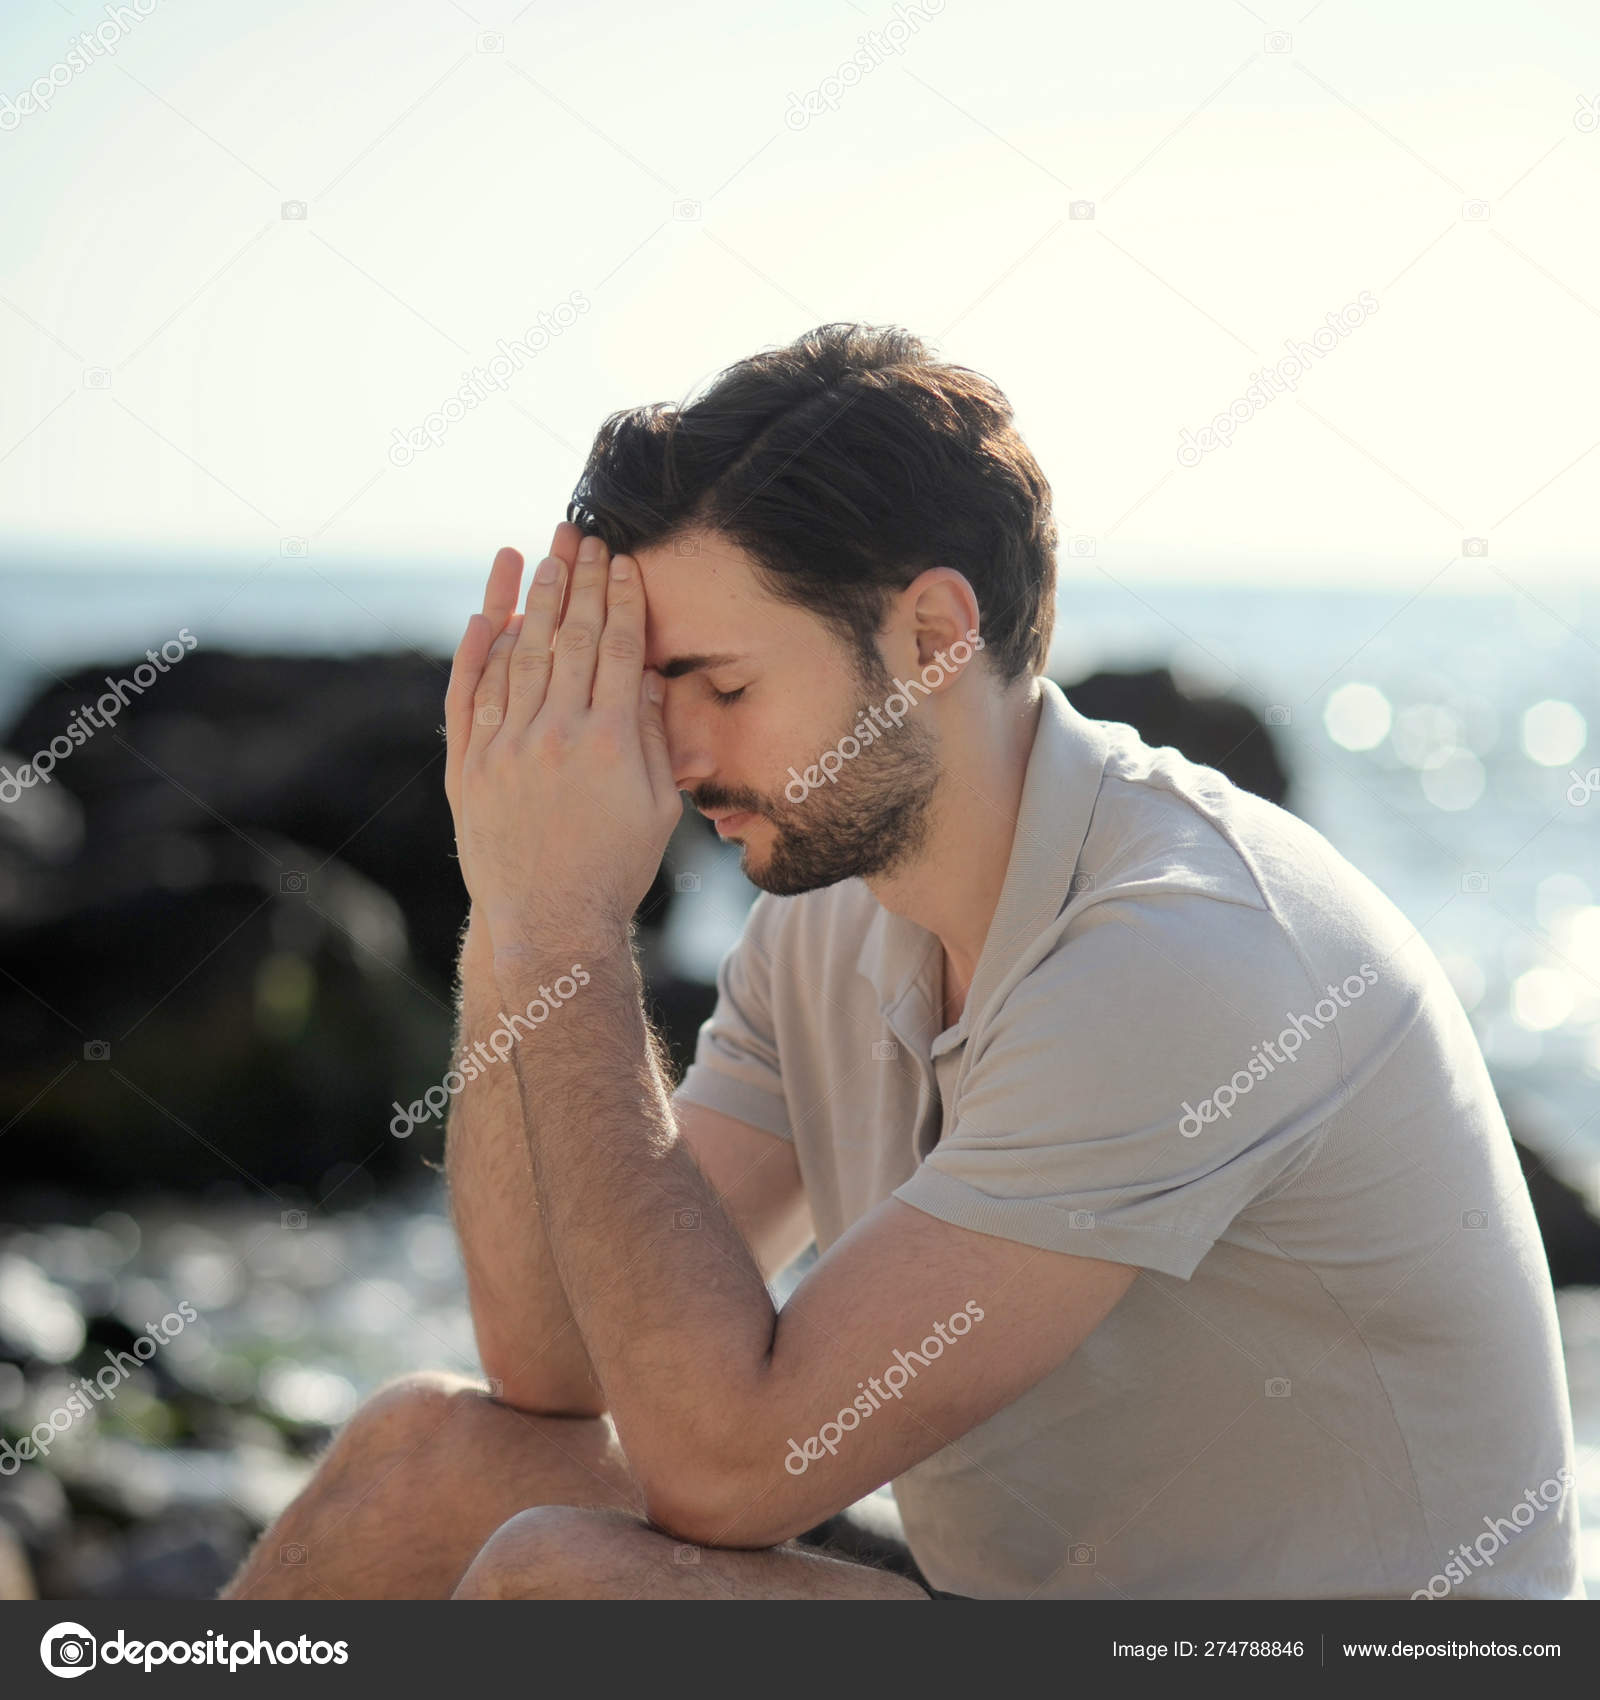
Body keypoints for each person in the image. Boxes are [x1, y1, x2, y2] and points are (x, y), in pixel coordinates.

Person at [221, 323, 1583, 1601]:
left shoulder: (1179, 950)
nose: (678, 754)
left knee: (560, 1587)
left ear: (933, 639)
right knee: (422, 1464)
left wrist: (577, 926)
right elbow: (553, 1354)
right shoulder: (830, 912)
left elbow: (725, 1470)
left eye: (724, 685)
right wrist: (515, 912)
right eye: (650, 691)